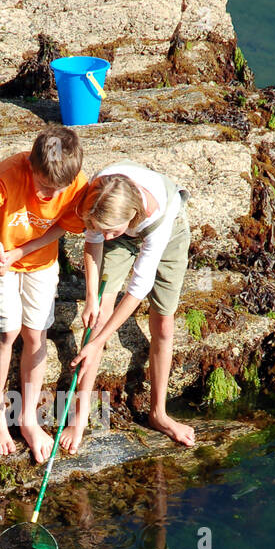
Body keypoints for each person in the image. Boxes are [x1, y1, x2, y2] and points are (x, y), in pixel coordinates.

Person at [0, 127, 87, 463]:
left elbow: (66, 224)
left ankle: (28, 418)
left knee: (35, 334)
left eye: (56, 190)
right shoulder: (9, 172)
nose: (49, 195)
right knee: (6, 332)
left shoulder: (75, 182)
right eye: (44, 187)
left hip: (39, 263)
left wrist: (25, 252)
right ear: (31, 166)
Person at [60, 162, 196, 453]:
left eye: (110, 231)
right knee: (97, 319)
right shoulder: (99, 198)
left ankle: (159, 413)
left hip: (169, 234)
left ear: (133, 215)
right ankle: (80, 415)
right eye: (101, 229)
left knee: (163, 323)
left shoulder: (159, 214)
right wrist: (91, 297)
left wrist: (99, 344)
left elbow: (138, 288)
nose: (106, 236)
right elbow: (94, 243)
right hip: (123, 228)